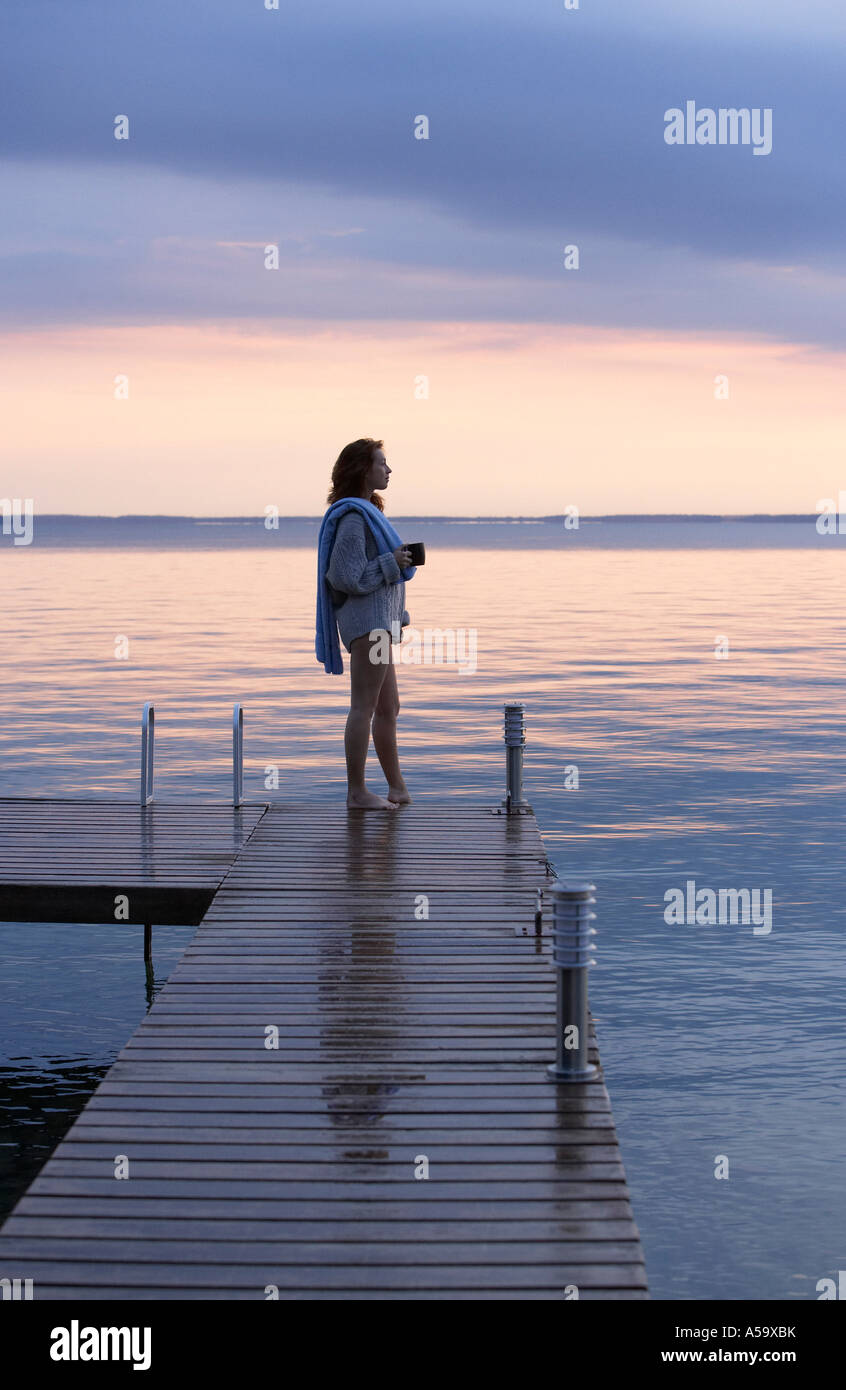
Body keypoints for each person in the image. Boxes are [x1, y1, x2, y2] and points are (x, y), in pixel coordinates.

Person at [315, 438, 415, 810]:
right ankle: (356, 792)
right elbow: (344, 576)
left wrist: (397, 616)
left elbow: (372, 579)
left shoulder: (368, 513)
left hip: (379, 625)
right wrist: (392, 562)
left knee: (389, 708)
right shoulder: (354, 518)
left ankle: (397, 789)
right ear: (362, 469)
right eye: (382, 463)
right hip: (368, 627)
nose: (388, 470)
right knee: (364, 707)